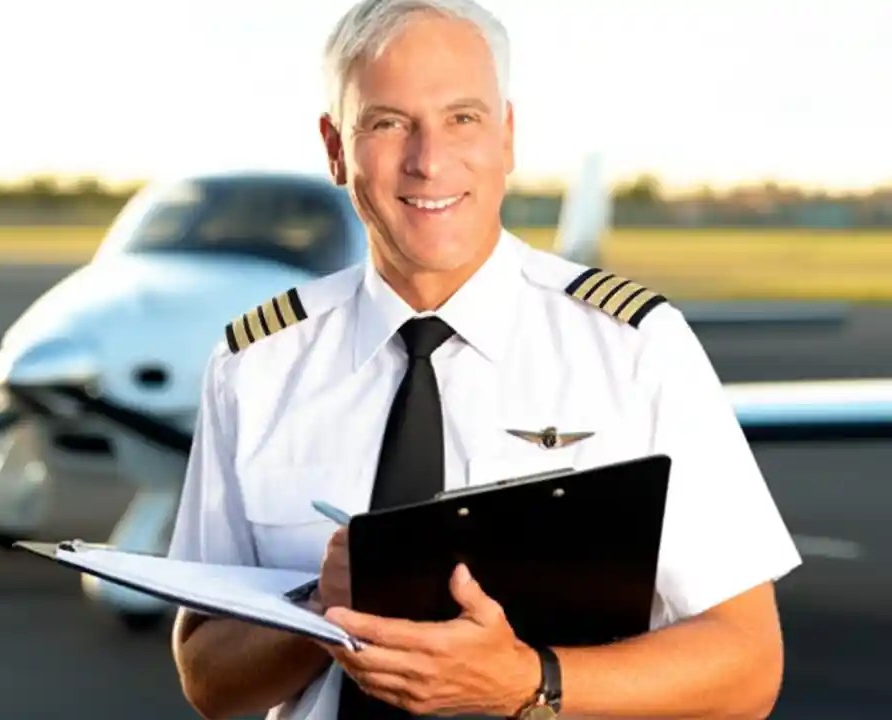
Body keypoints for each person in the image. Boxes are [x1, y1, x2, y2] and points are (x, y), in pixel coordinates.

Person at [167, 0, 802, 718]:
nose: (428, 160)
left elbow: (749, 667)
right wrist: (325, 610)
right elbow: (208, 680)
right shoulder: (255, 366)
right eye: (386, 122)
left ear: (506, 137)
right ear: (335, 148)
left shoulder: (635, 348)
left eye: (461, 118)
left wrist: (529, 683)